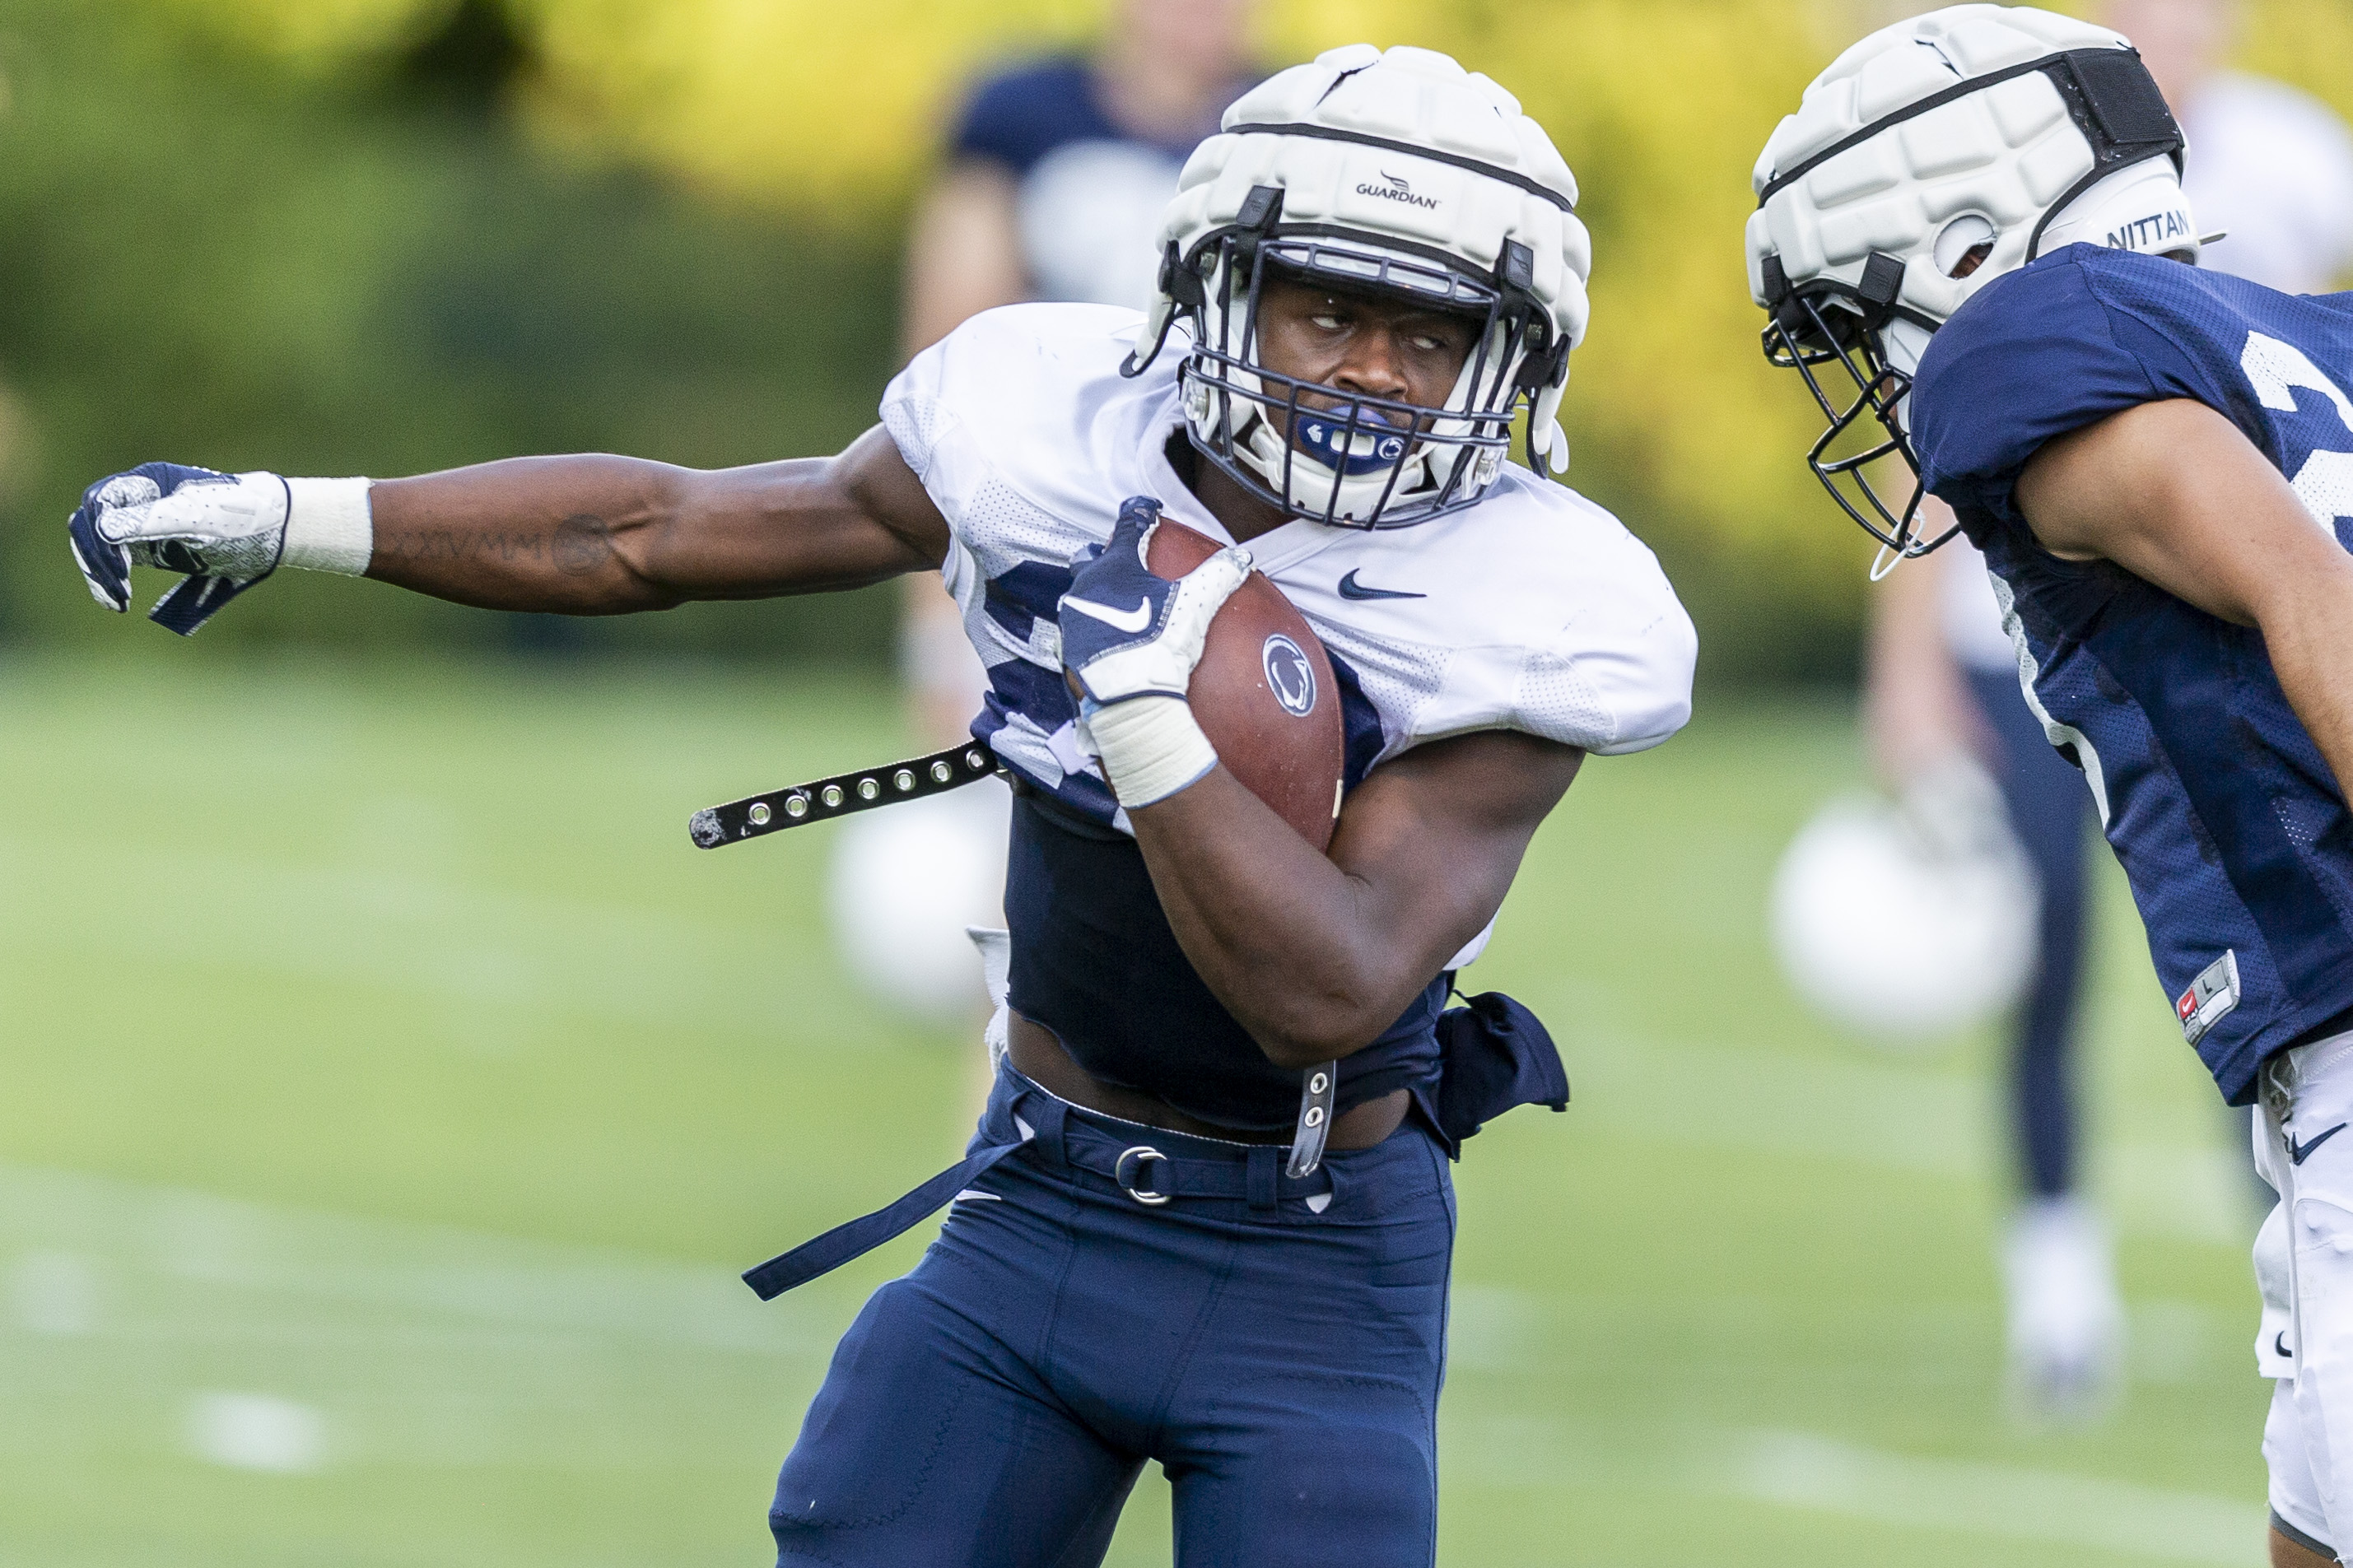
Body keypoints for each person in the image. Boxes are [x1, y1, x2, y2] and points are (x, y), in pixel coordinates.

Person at [70, 44, 1694, 1563]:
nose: (1373, 371)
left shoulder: (1532, 597)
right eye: (1327, 309)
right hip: (1042, 1198)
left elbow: (1324, 993)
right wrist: (293, 517)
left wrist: (1142, 715)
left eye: (1431, 335)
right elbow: (654, 533)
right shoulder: (1051, 426)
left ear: (1511, 362)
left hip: (1315, 1261)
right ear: (1217, 287)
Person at [1749, 6, 2353, 1561]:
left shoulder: (2033, 343)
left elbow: (2309, 593)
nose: (1870, 367)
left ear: (1964, 236)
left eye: (1861, 305)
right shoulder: (2290, 335)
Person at [844, 0, 1259, 1027]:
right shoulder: (1023, 115)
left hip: (1229, 558)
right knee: (1034, 914)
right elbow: (942, 370)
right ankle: (1015, 1119)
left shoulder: (1283, 126)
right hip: (1043, 548)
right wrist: (935, 625)